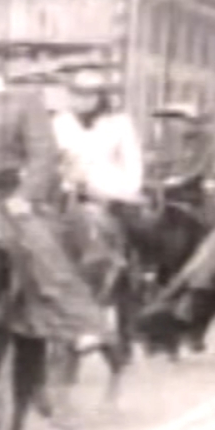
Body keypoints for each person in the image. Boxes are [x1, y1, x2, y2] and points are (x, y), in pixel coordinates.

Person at [0, 24, 112, 355]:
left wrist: (26, 196)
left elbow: (43, 154)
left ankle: (80, 323)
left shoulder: (22, 101)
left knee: (39, 246)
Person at [50, 68, 144, 289]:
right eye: (76, 94)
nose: (81, 100)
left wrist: (121, 192)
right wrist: (66, 182)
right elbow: (50, 161)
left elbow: (133, 163)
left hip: (109, 191)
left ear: (101, 98)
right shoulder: (59, 122)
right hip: (67, 191)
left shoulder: (119, 123)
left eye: (89, 95)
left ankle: (127, 270)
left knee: (123, 227)